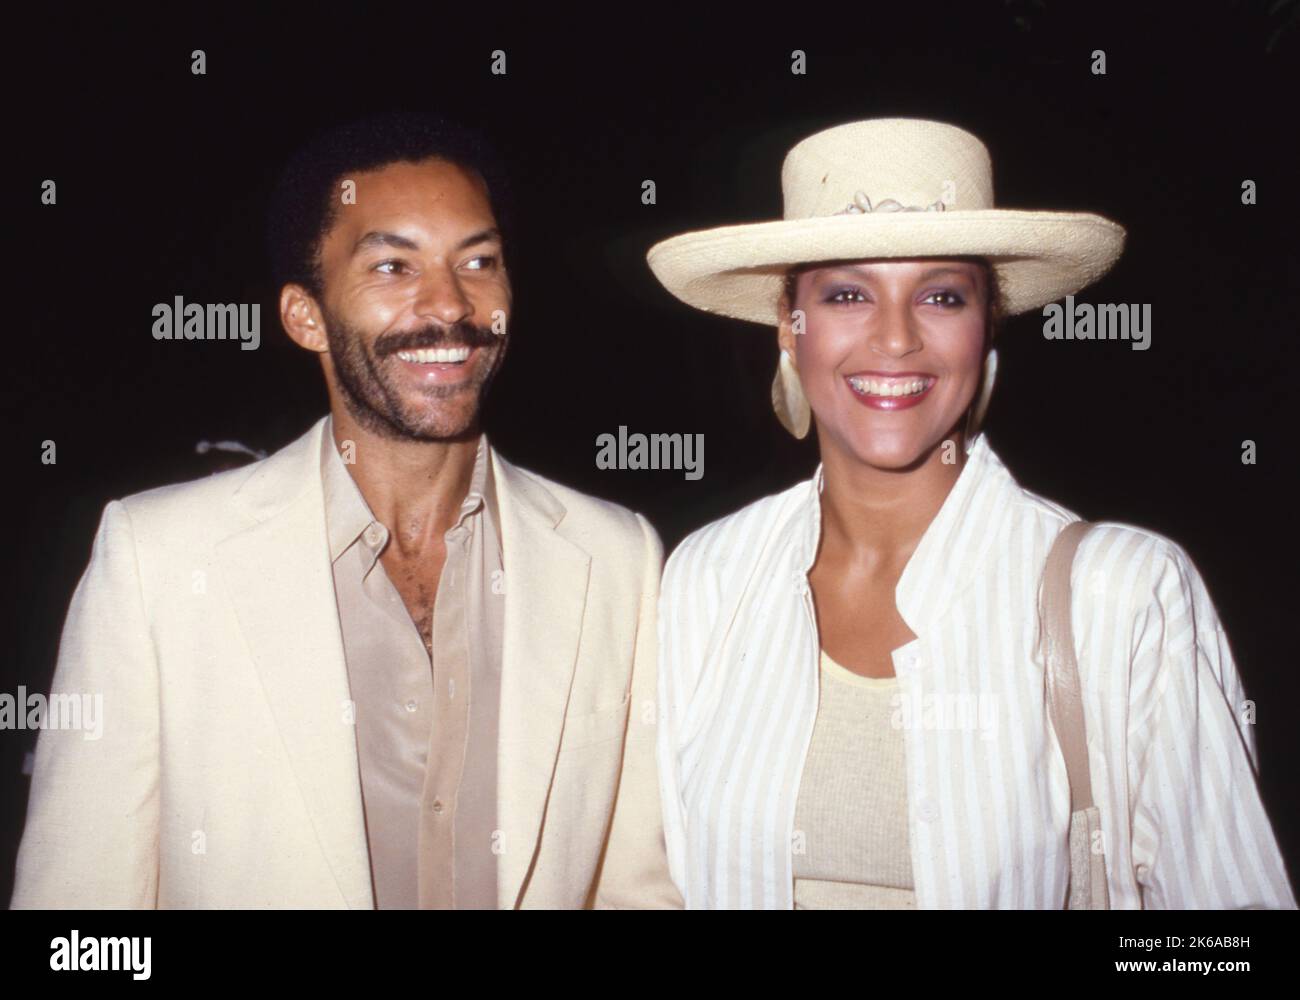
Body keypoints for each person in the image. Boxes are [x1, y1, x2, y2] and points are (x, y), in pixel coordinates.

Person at [11, 111, 679, 910]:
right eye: (393, 267)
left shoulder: (619, 558)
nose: (450, 306)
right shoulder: (160, 561)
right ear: (305, 317)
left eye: (479, 261)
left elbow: (639, 891)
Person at [645, 117, 1296, 909]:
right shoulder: (708, 579)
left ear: (988, 323)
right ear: (790, 324)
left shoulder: (1123, 594)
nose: (894, 338)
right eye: (847, 293)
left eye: (942, 295)